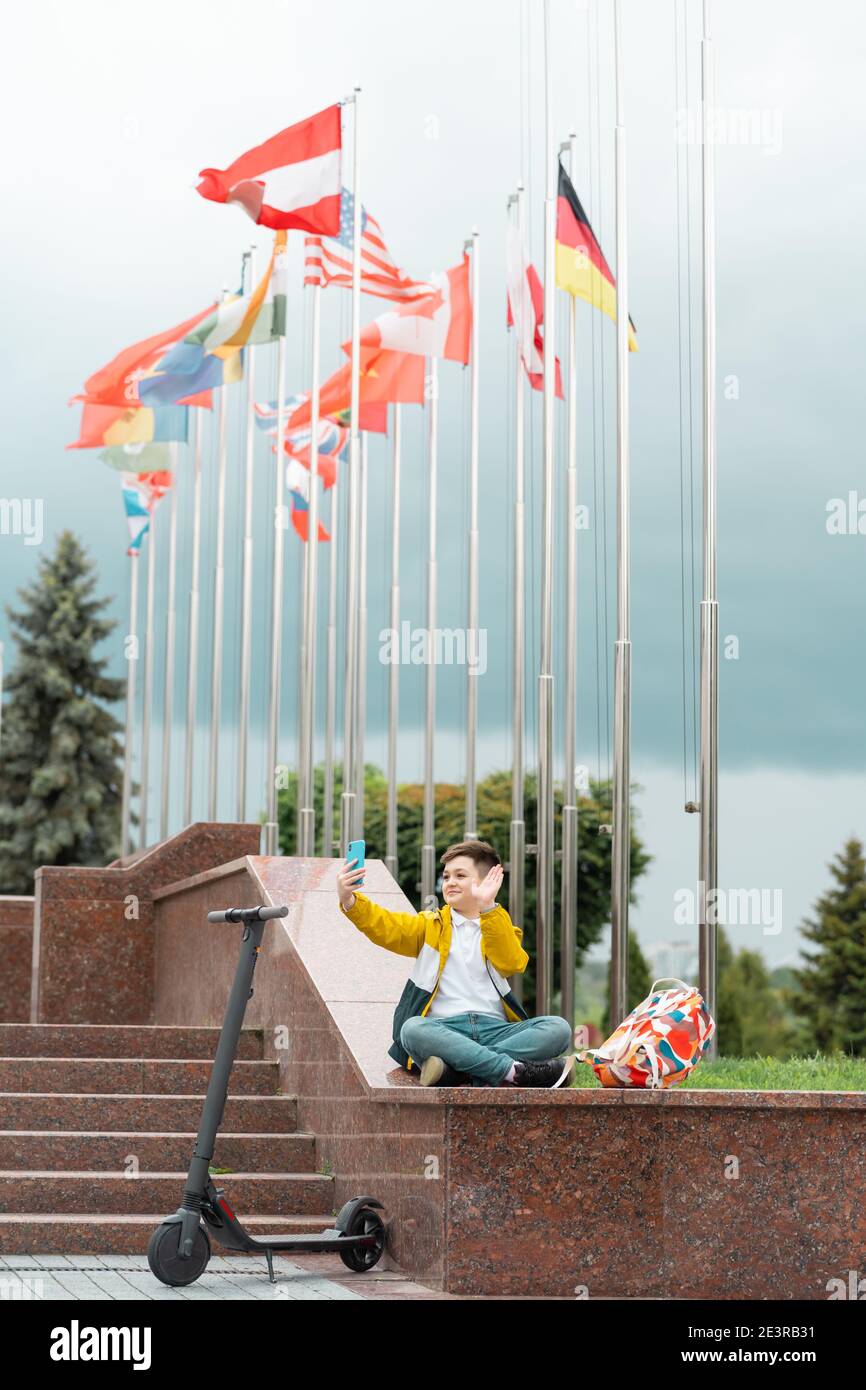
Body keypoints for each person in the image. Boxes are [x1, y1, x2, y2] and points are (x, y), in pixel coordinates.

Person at [336, 838, 575, 1088]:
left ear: (485, 882)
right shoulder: (428, 925)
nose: (450, 882)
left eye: (460, 875)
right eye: (446, 876)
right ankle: (512, 1071)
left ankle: (456, 1069)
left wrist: (488, 908)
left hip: (495, 1029)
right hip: (444, 1029)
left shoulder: (501, 926)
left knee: (557, 1028)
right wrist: (350, 900)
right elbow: (385, 926)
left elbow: (512, 963)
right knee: (413, 1029)